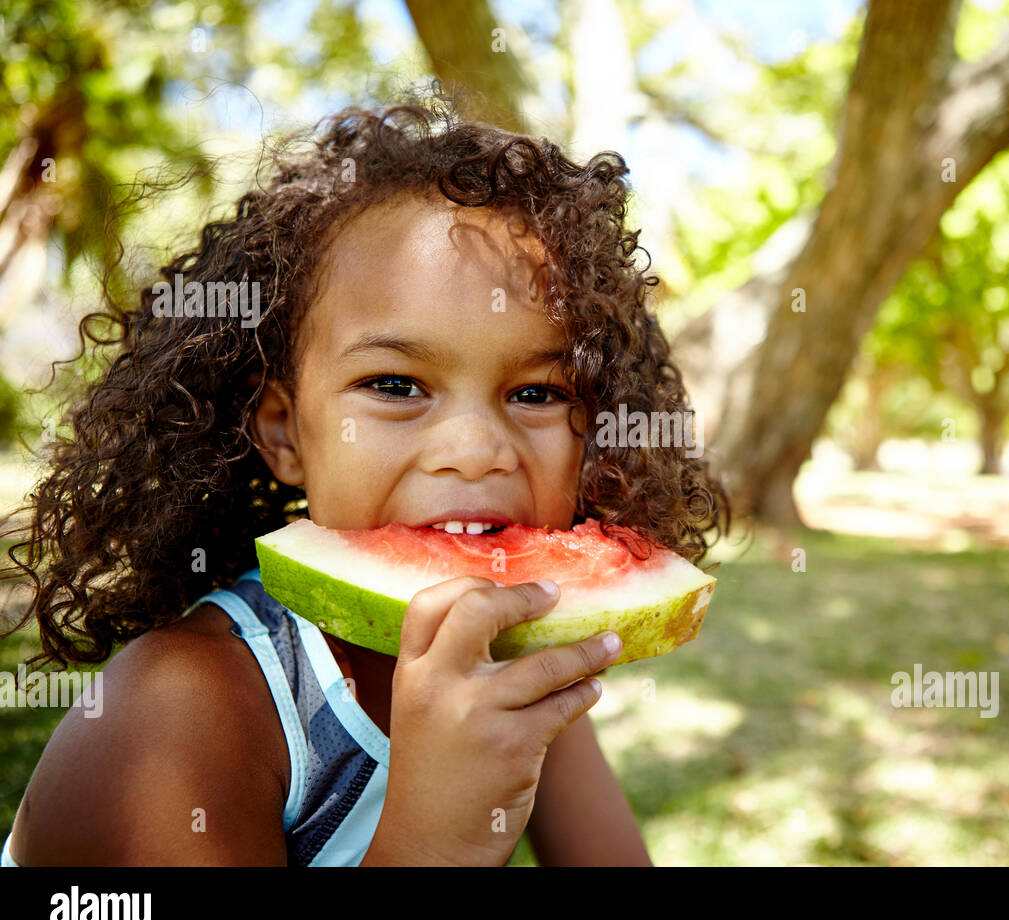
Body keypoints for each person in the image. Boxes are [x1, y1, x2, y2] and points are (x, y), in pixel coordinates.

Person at [0, 86, 729, 866]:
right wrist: (431, 841)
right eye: (396, 386)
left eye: (537, 394)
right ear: (285, 433)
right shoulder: (186, 704)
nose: (476, 448)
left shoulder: (506, 658)